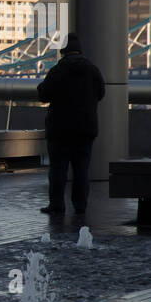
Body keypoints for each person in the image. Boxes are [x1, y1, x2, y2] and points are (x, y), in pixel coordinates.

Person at [36, 32, 105, 216]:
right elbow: (101, 93)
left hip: (60, 130)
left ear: (63, 51)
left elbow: (43, 95)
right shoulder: (93, 70)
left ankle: (57, 205)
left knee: (58, 170)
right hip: (85, 129)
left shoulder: (57, 71)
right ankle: (80, 206)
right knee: (81, 170)